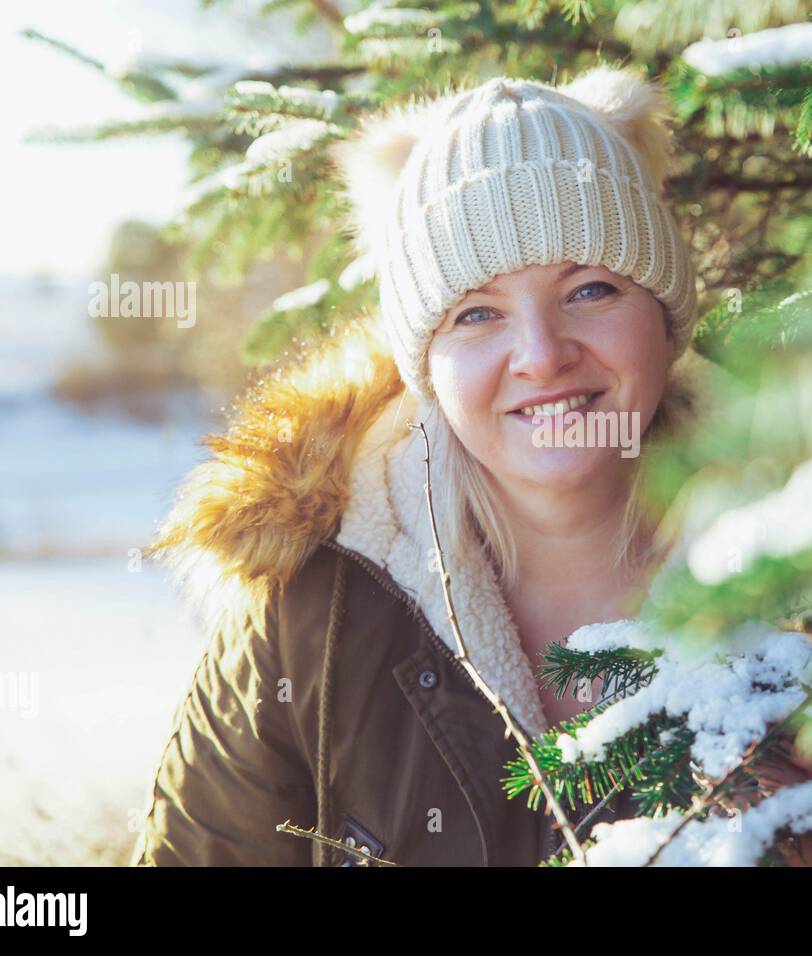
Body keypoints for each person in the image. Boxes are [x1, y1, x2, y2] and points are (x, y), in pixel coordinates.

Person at [130, 65, 713, 866]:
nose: (541, 357)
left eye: (591, 290)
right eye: (477, 313)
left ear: (664, 315)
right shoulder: (313, 614)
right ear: (426, 364)